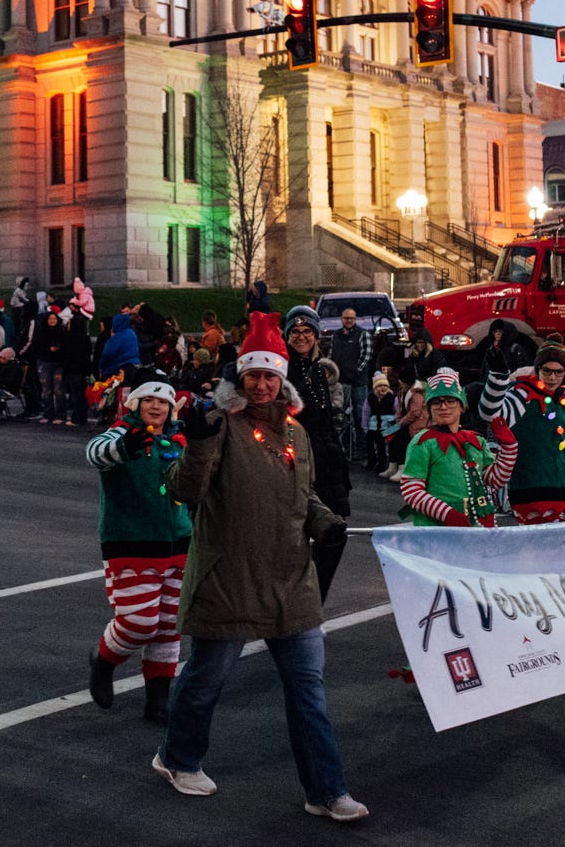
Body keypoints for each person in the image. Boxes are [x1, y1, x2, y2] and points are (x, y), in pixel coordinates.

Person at [153, 311, 364, 822]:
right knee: (207, 679)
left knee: (308, 689)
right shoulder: (220, 426)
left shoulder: (297, 433)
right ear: (240, 378)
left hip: (291, 580)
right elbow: (184, 489)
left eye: (272, 375)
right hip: (230, 577)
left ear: (283, 378)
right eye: (254, 375)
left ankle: (326, 789)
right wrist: (199, 439)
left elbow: (301, 496)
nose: (263, 384)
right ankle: (177, 757)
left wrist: (326, 522)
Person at [84, 380, 192, 722]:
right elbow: (94, 452)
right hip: (131, 544)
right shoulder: (120, 434)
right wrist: (125, 446)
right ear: (135, 404)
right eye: (148, 400)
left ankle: (157, 700)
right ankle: (104, 662)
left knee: (168, 626)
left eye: (162, 401)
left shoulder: (177, 439)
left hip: (179, 543)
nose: (155, 406)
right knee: (138, 624)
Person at [284, 305, 349, 599]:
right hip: (299, 462)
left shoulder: (319, 370)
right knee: (299, 541)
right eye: (295, 332)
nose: (301, 337)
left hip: (329, 464)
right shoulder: (283, 371)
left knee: (336, 534)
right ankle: (301, 604)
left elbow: (327, 421)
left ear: (316, 335)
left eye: (306, 331)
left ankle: (314, 602)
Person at [399, 371, 518, 525]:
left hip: (474, 529)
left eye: (450, 401)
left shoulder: (475, 440)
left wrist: (509, 448)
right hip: (436, 532)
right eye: (436, 402)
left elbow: (495, 480)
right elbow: (411, 490)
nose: (443, 407)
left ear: (461, 406)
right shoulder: (423, 442)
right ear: (429, 408)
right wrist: (448, 514)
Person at [482, 336, 565, 524]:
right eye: (547, 371)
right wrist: (498, 377)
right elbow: (490, 414)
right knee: (535, 551)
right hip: (530, 492)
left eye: (558, 372)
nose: (552, 378)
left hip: (563, 493)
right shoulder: (522, 395)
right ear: (538, 369)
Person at [329, 308, 373, 456]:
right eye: (346, 318)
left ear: (355, 319)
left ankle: (362, 445)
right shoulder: (336, 335)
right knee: (341, 415)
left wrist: (355, 371)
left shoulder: (363, 334)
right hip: (340, 382)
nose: (348, 321)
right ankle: (345, 444)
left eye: (351, 318)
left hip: (358, 382)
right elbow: (331, 355)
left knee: (360, 413)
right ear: (342, 319)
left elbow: (366, 356)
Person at [363, 372, 401, 475]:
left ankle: (383, 462)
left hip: (387, 426)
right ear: (375, 388)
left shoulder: (392, 398)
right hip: (374, 425)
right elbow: (366, 413)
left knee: (381, 444)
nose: (383, 388)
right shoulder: (370, 398)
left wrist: (396, 424)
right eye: (379, 386)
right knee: (369, 441)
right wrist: (365, 427)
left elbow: (397, 412)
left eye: (385, 385)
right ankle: (372, 460)